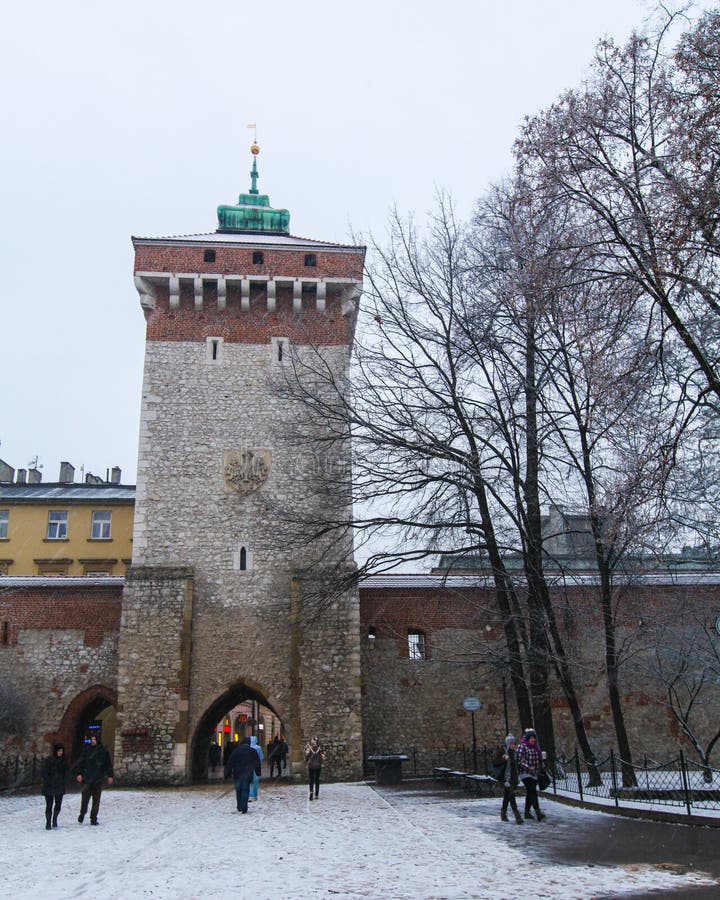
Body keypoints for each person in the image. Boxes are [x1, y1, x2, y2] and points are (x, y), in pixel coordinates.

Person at [74, 733, 114, 826]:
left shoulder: (103, 751)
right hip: (88, 778)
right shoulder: (87, 750)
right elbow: (81, 762)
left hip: (98, 778)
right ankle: (82, 813)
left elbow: (107, 764)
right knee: (85, 798)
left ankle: (93, 818)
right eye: (92, 739)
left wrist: (110, 775)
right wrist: (79, 773)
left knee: (96, 800)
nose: (93, 741)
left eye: (94, 739)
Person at [224, 736, 262, 814]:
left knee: (238, 790)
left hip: (237, 774)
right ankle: (244, 807)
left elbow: (230, 762)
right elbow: (257, 763)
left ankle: (239, 806)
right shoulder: (252, 751)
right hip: (247, 774)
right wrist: (258, 772)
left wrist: (227, 773)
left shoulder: (236, 751)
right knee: (245, 790)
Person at [515, 728, 546, 821]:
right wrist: (528, 767)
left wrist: (543, 760)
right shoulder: (522, 746)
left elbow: (539, 760)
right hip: (525, 773)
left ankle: (527, 812)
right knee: (532, 790)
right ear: (527, 738)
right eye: (531, 738)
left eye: (534, 738)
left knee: (530, 791)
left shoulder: (536, 748)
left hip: (534, 773)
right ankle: (537, 811)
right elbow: (519, 760)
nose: (533, 740)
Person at [492, 735, 523, 825]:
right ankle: (518, 816)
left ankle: (503, 813)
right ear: (508, 744)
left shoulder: (514, 753)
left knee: (507, 796)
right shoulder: (502, 751)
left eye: (514, 743)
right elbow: (495, 762)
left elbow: (516, 765)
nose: (513, 745)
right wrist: (503, 759)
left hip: (513, 778)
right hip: (505, 778)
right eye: (511, 744)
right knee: (511, 796)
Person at [41, 742, 68, 830]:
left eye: (62, 751)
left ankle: (55, 819)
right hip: (49, 785)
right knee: (49, 805)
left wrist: (64, 781)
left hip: (59, 785)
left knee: (58, 804)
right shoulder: (49, 760)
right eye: (59, 751)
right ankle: (48, 822)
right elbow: (45, 772)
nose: (60, 753)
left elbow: (66, 772)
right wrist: (49, 780)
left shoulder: (64, 761)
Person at [305, 736, 325, 801]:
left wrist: (307, 755)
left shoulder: (310, 749)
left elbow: (307, 758)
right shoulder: (319, 749)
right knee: (317, 780)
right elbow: (322, 757)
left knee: (311, 780)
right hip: (318, 766)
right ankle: (316, 794)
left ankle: (311, 791)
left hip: (311, 766)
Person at [248, 735, 263, 801]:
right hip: (256, 765)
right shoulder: (258, 748)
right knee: (255, 780)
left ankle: (250, 794)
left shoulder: (248, 747)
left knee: (249, 780)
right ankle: (255, 795)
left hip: (248, 765)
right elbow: (261, 757)